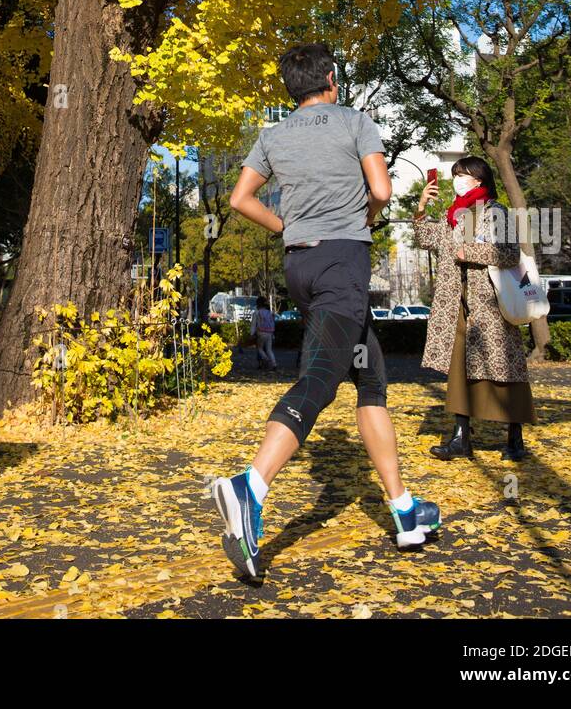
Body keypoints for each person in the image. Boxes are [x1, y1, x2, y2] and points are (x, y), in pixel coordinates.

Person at [211, 43, 440, 579]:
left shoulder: (272, 135)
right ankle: (251, 487)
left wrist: (288, 228)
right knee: (319, 379)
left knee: (370, 380)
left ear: (292, 87)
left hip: (301, 268)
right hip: (343, 263)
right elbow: (382, 188)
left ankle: (404, 511)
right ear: (332, 80)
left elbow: (240, 199)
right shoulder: (355, 121)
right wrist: (366, 213)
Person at [413, 156, 536, 462]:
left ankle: (515, 437)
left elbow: (508, 253)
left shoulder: (495, 212)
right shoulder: (452, 214)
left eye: (462, 175)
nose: (457, 179)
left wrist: (470, 251)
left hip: (490, 304)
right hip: (455, 302)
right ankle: (460, 437)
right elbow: (427, 240)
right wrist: (420, 209)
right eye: (454, 175)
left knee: (504, 370)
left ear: (479, 180)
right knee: (458, 371)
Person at [251, 296, 277, 370]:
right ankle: (274, 364)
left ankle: (266, 360)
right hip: (270, 333)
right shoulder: (269, 312)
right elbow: (272, 323)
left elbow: (253, 324)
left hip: (261, 332)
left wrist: (252, 333)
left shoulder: (257, 313)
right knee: (269, 349)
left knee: (260, 348)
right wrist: (273, 334)